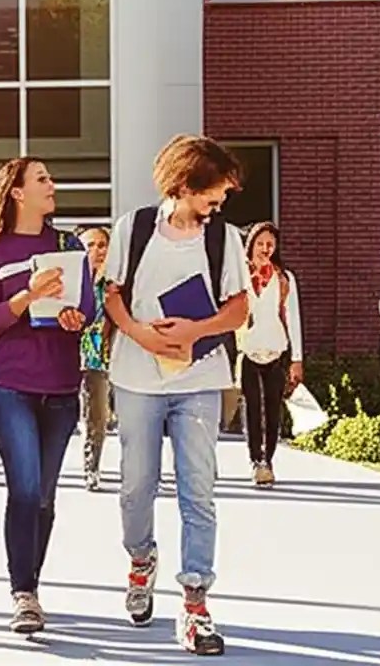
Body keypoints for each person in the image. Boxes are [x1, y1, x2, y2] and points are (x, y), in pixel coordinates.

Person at [102, 135, 249, 656]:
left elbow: (238, 311)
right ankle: (141, 560)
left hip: (201, 380)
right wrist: (139, 333)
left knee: (199, 493)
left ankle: (194, 604)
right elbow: (112, 293)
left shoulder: (223, 239)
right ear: (185, 186)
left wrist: (195, 330)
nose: (220, 203)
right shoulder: (134, 228)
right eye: (214, 194)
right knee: (136, 487)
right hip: (138, 377)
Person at [0, 157, 94, 633]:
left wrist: (75, 317)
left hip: (62, 386)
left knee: (43, 495)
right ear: (17, 192)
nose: (52, 185)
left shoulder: (68, 245)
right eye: (41, 178)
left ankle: (32, 584)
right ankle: (23, 592)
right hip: (11, 386)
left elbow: (86, 305)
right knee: (23, 489)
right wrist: (28, 294)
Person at [237, 221, 303, 487]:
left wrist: (297, 359)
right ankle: (256, 459)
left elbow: (293, 318)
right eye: (260, 243)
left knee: (273, 409)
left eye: (270, 244)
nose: (265, 249)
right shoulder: (239, 276)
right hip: (248, 350)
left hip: (275, 349)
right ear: (251, 245)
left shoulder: (284, 278)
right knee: (252, 406)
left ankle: (269, 459)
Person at [76, 225, 113, 491]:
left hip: (101, 357)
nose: (96, 251)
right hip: (69, 356)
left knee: (97, 415)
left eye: (102, 245)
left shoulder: (113, 284)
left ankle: (92, 467)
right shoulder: (71, 283)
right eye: (90, 245)